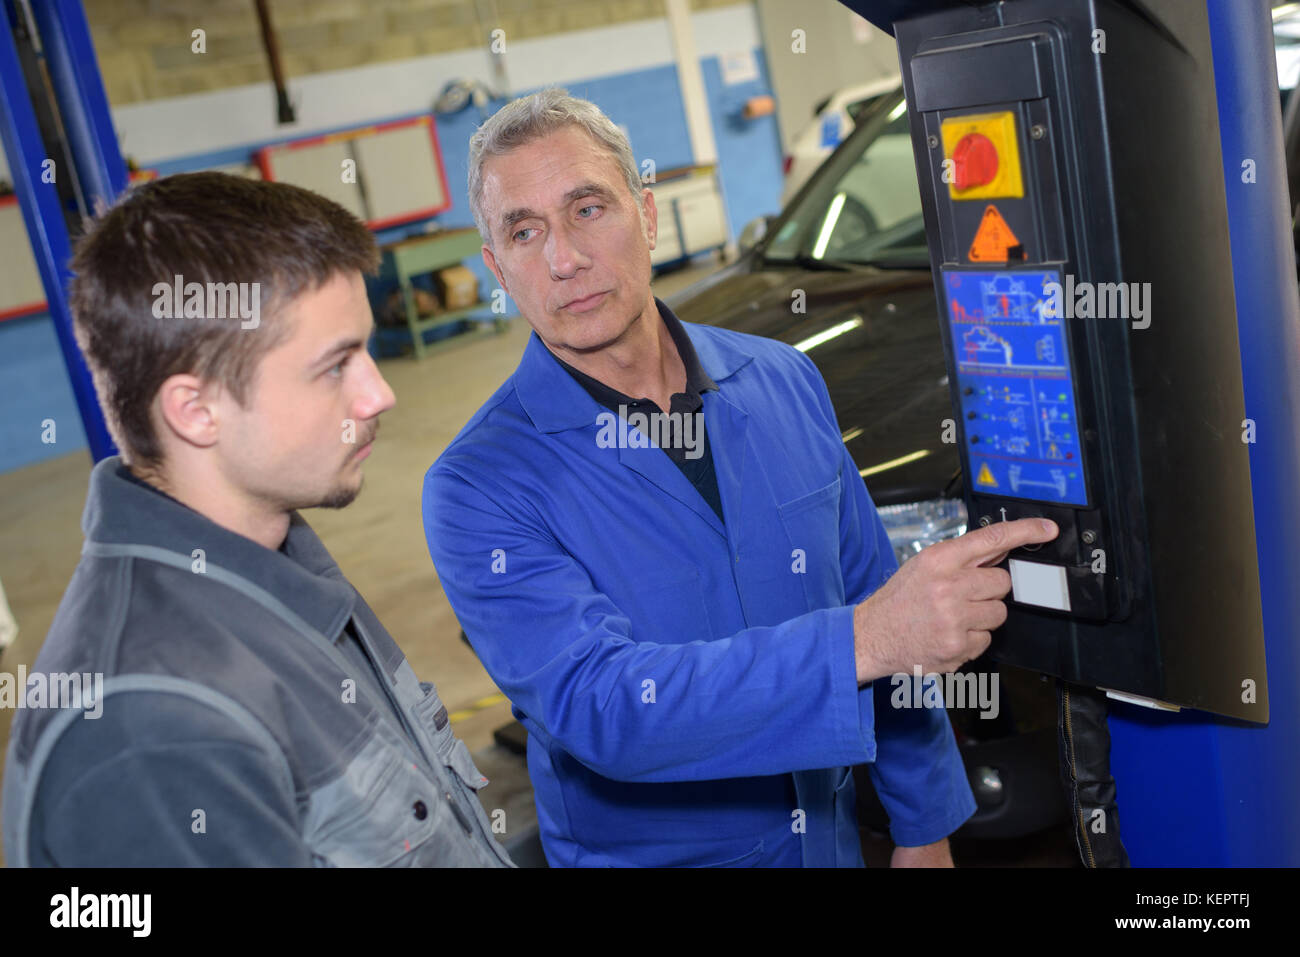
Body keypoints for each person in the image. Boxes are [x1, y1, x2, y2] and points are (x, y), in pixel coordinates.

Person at [421, 89, 1057, 867]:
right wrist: (866, 638)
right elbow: (607, 707)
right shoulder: (479, 485)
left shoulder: (782, 380)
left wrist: (924, 822)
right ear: (497, 267)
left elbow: (875, 591)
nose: (564, 258)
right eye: (525, 231)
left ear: (648, 215)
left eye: (588, 208)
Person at [2, 172, 512, 868]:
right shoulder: (151, 733)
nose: (379, 393)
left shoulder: (278, 559)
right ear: (196, 410)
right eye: (336, 365)